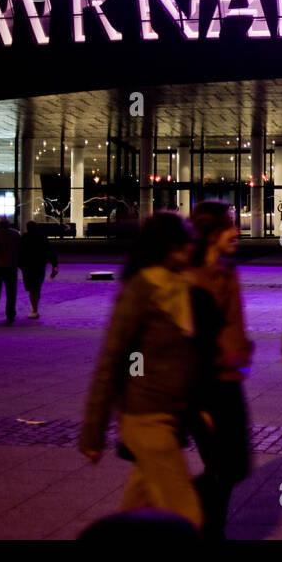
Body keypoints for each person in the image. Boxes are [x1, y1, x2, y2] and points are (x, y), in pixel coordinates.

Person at [79, 211, 203, 529]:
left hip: (170, 416)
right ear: (167, 247)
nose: (190, 248)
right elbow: (111, 358)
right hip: (146, 417)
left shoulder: (183, 287)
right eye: (182, 244)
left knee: (137, 509)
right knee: (187, 516)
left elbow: (187, 360)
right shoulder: (141, 290)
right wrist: (93, 433)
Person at [186, 200, 252, 540]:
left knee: (234, 465)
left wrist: (243, 351)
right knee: (223, 466)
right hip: (208, 385)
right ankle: (197, 520)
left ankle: (207, 525)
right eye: (230, 225)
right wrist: (199, 403)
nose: (237, 231)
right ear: (212, 234)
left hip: (231, 379)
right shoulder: (193, 279)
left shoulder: (226, 269)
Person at [19, 221, 59, 320]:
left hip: (28, 266)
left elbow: (19, 253)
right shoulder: (42, 238)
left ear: (27, 228)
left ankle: (34, 309)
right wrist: (54, 265)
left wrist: (20, 265)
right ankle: (35, 306)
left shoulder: (24, 238)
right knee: (36, 287)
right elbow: (49, 252)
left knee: (32, 288)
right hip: (40, 266)